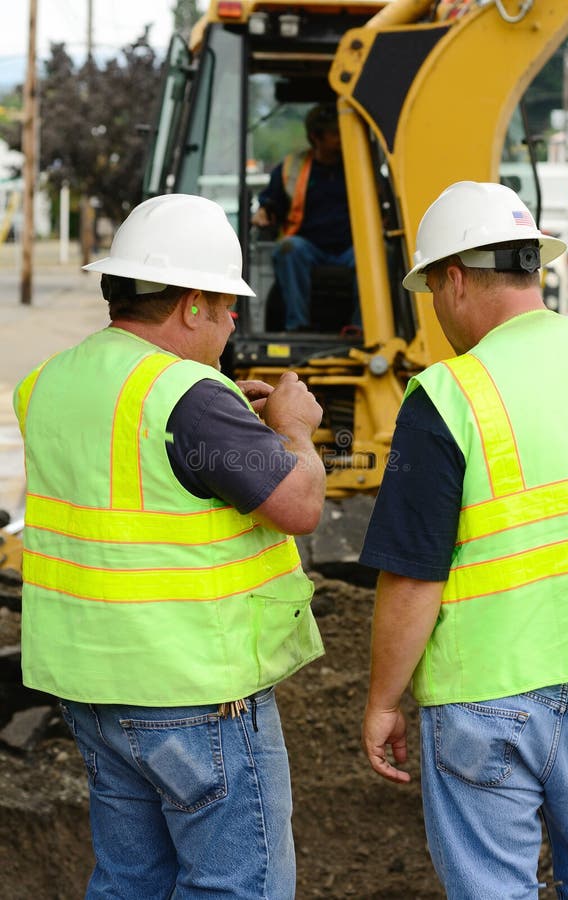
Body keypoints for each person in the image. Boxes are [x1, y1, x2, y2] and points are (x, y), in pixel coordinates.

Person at [14, 193, 326, 900]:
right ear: (192, 305)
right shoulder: (187, 395)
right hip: (193, 692)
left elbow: (142, 474)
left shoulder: (51, 381)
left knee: (130, 882)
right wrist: (294, 429)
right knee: (236, 885)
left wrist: (230, 428)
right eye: (225, 305)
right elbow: (300, 505)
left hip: (94, 688)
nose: (233, 320)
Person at [359, 181, 568, 899]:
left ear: (454, 278)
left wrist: (381, 702)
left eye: (433, 288)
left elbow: (413, 577)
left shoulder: (446, 395)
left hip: (485, 697)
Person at [251, 102, 357, 331]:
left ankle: (361, 327)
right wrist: (264, 212)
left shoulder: (359, 167)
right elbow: (273, 202)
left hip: (351, 249)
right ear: (315, 137)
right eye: (335, 134)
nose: (342, 139)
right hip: (309, 247)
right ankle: (297, 326)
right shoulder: (292, 168)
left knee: (380, 253)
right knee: (289, 249)